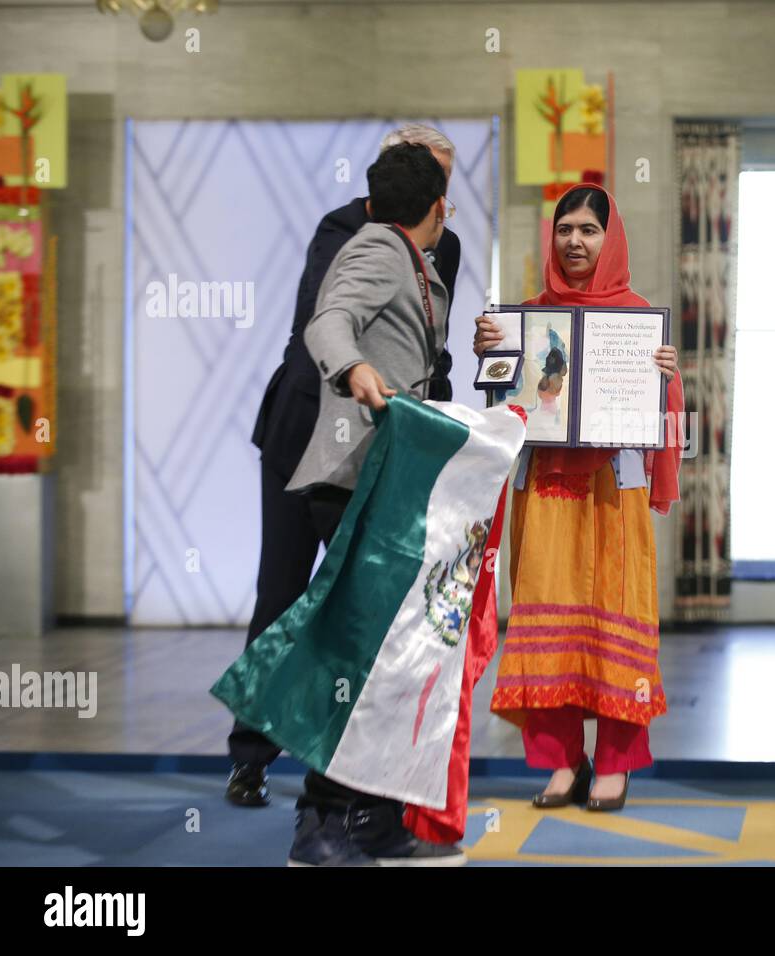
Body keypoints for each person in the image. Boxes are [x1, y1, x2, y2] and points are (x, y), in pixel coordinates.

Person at [228, 125, 461, 808]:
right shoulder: (356, 237)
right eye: (426, 175)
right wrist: (359, 369)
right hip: (308, 433)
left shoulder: (434, 245)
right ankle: (256, 758)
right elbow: (330, 324)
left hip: (372, 449)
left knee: (367, 618)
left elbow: (421, 347)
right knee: (285, 597)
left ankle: (347, 789)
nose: (442, 195)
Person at [283, 141, 468, 864]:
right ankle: (319, 822)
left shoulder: (408, 257)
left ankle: (372, 815)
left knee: (387, 655)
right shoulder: (381, 251)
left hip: (386, 478)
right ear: (439, 207)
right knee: (354, 656)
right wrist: (354, 366)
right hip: (351, 478)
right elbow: (328, 323)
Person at [474, 184, 684, 812]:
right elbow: (503, 409)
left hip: (612, 493)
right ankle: (562, 763)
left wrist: (668, 381)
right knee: (547, 621)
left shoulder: (639, 317)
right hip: (546, 490)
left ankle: (616, 764)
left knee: (617, 619)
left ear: (610, 238)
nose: (574, 241)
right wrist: (493, 359)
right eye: (564, 229)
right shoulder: (529, 317)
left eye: (589, 230)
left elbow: (667, 418)